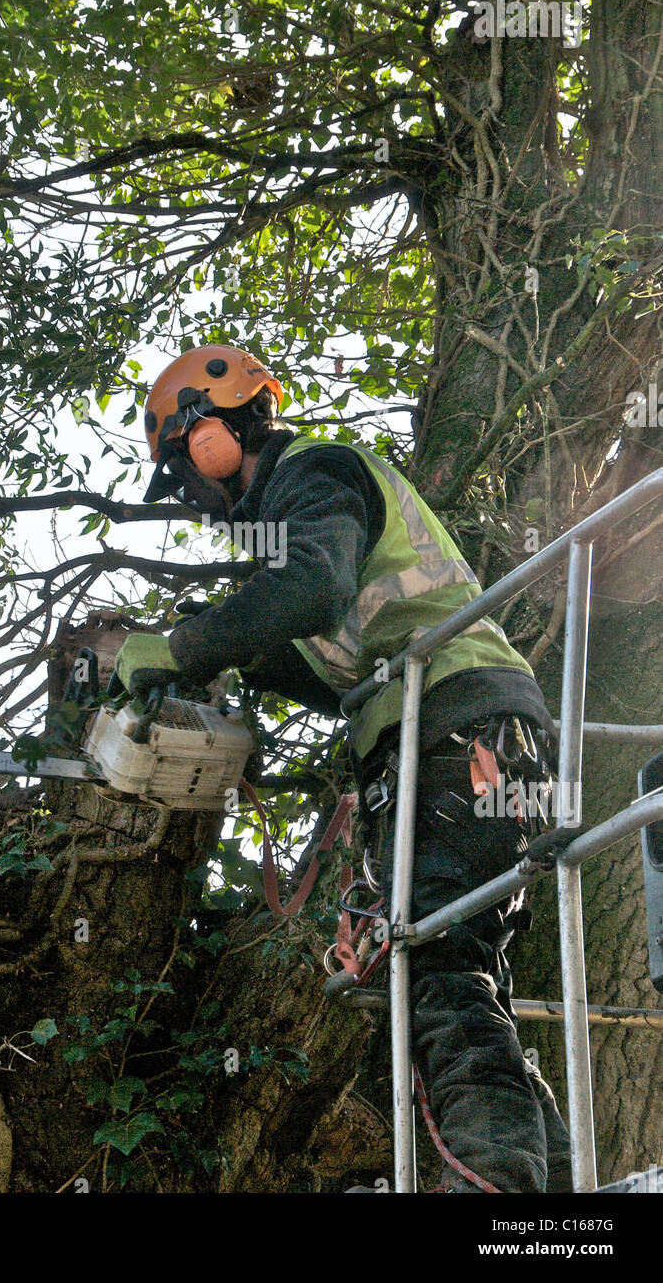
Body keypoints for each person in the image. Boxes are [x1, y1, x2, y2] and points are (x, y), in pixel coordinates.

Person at [115, 343, 572, 1193]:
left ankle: (493, 1186)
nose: (194, 497)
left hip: (457, 724)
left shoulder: (312, 472)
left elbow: (309, 593)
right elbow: (325, 650)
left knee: (437, 959)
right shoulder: (309, 517)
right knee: (458, 964)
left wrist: (183, 645)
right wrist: (223, 654)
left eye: (184, 471)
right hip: (462, 727)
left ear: (209, 435)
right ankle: (548, 1185)